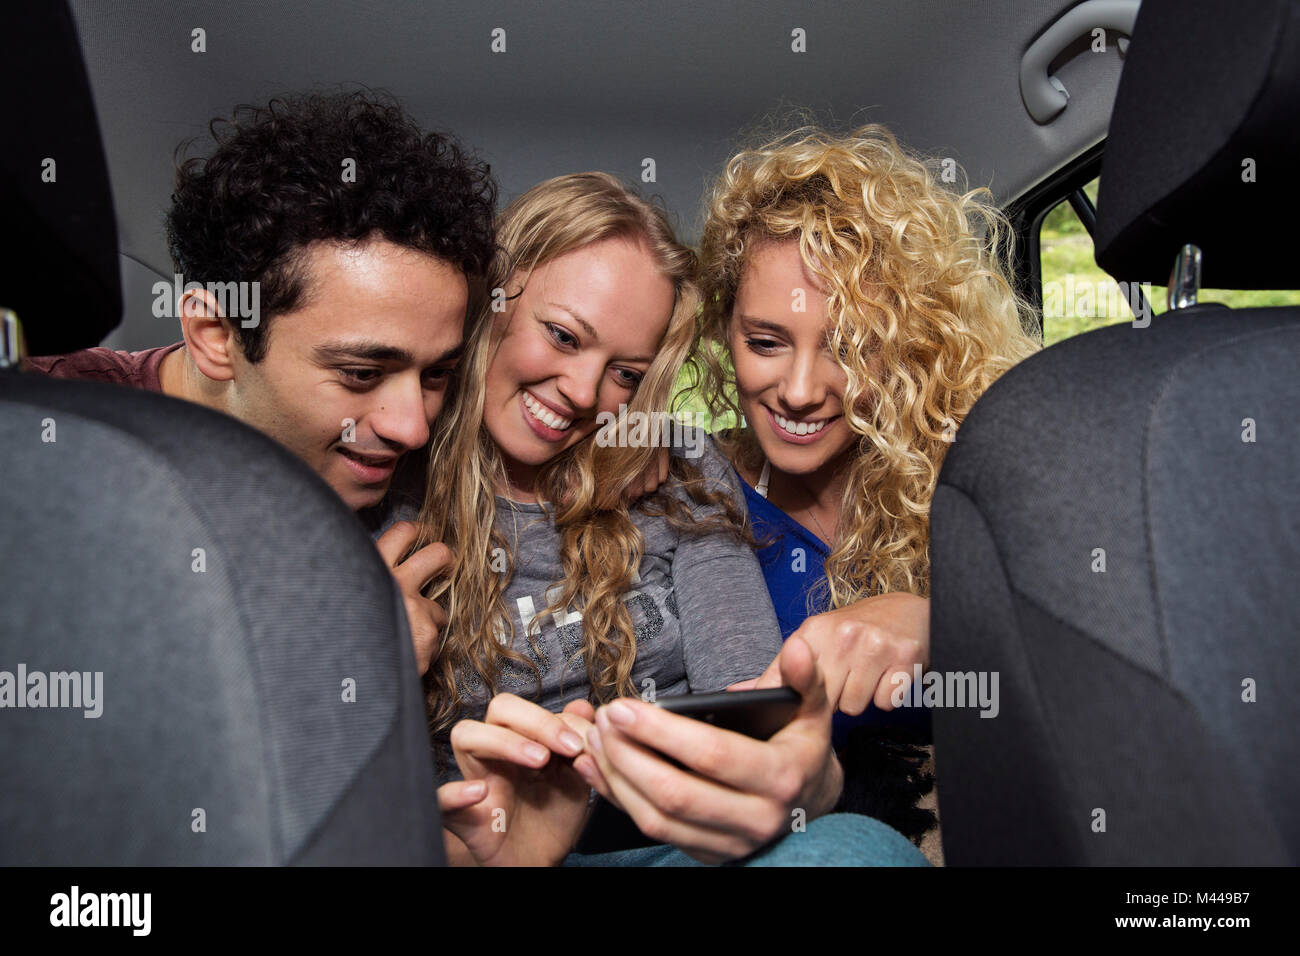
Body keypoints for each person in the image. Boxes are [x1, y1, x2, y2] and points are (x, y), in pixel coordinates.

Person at [412, 172, 926, 866]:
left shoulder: (676, 465)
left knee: (856, 850)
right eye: (563, 336)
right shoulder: (386, 481)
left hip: (677, 849)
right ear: (490, 305)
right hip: (479, 854)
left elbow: (746, 691)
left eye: (625, 372)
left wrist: (789, 772)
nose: (584, 392)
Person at [24, 90, 500, 675]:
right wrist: (337, 656)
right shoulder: (45, 446)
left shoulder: (422, 463)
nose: (413, 428)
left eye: (436, 374)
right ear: (216, 334)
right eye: (361, 373)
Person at [686, 123, 1041, 840]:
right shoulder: (690, 502)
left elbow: (1083, 692)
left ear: (910, 349)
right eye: (766, 342)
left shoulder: (982, 479)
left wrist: (943, 629)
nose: (800, 389)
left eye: (852, 348)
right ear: (724, 331)